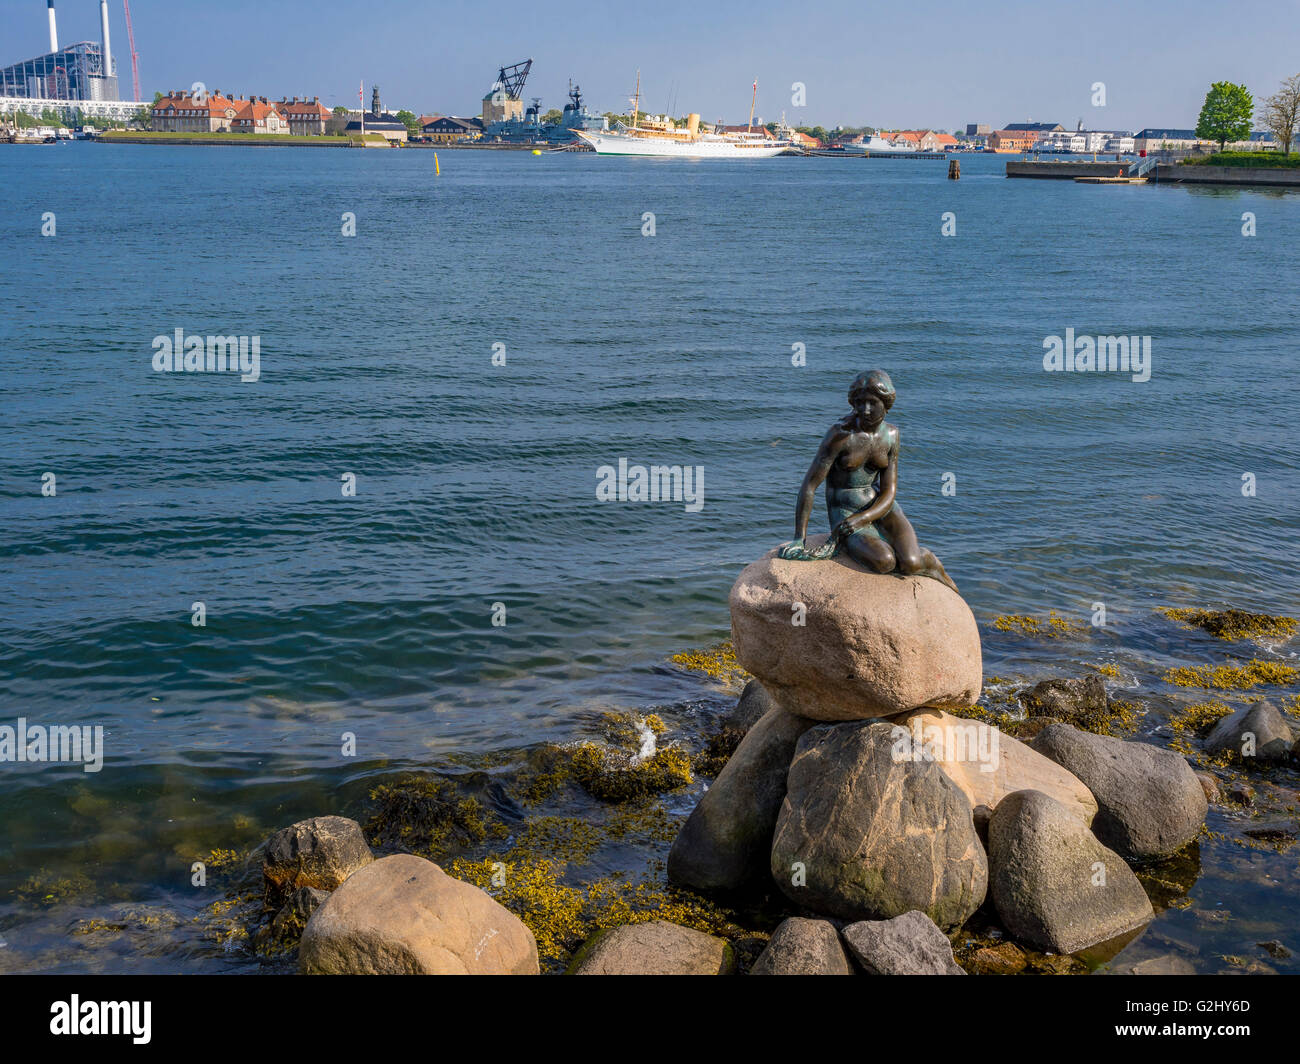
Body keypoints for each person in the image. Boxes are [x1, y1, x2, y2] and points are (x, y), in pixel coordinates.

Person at [777, 370, 956, 591]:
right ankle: (863, 545)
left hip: (880, 507)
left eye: (872, 403)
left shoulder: (891, 435)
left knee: (911, 563)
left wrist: (864, 518)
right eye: (860, 403)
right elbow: (810, 486)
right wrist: (799, 538)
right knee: (885, 561)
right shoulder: (840, 435)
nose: (865, 410)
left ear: (886, 402)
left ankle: (929, 561)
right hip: (845, 511)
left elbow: (889, 492)